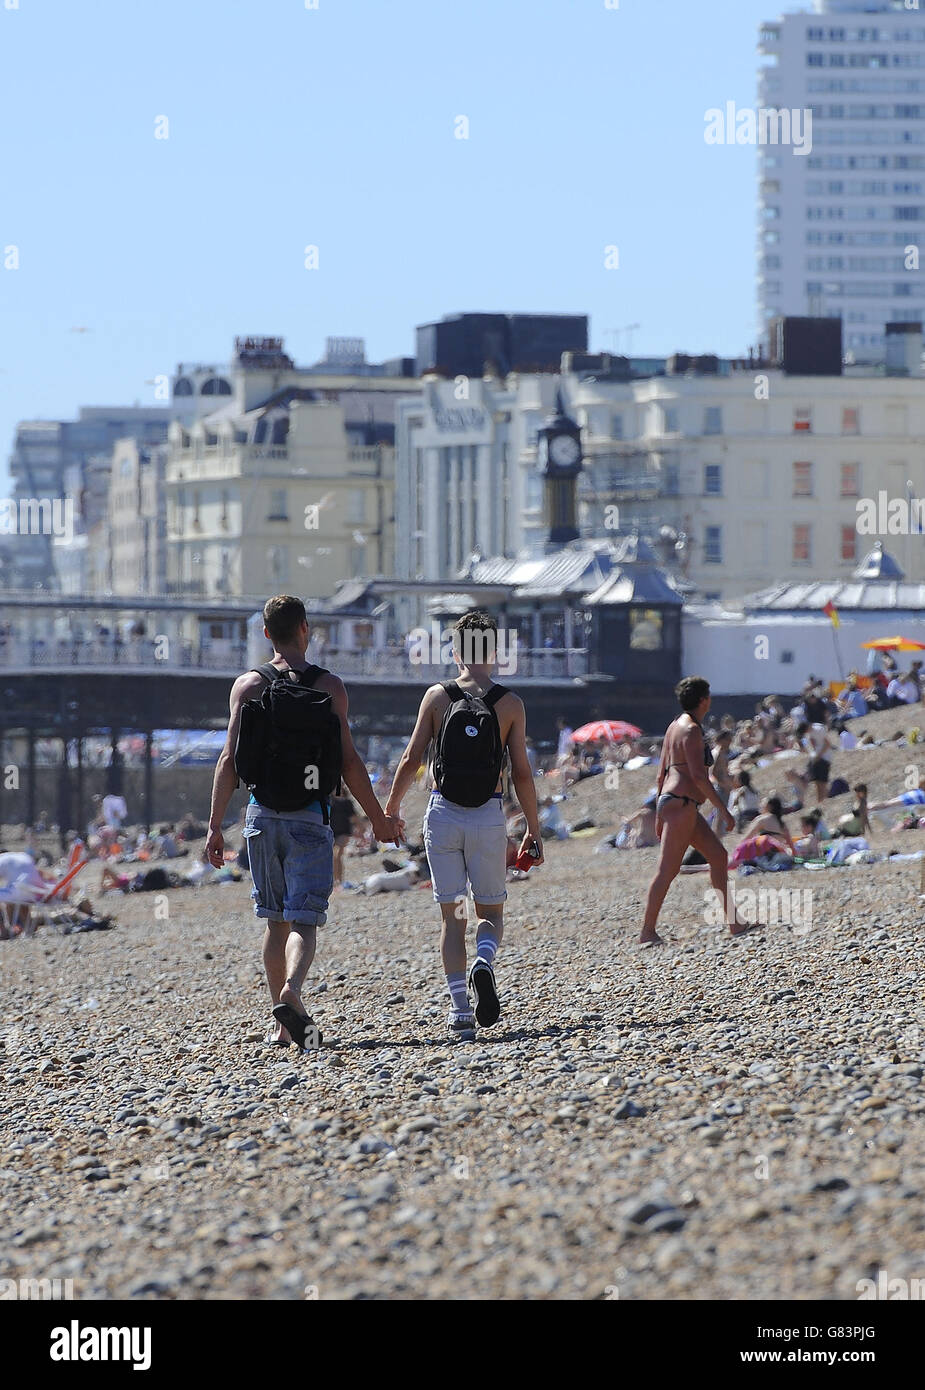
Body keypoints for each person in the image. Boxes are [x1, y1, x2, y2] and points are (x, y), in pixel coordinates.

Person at [206, 595, 400, 1050]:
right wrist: (379, 819)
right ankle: (292, 991)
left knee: (274, 923)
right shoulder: (329, 687)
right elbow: (350, 761)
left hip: (260, 816)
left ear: (267, 633)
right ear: (306, 630)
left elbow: (229, 760)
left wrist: (214, 827)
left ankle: (282, 1026)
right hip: (310, 817)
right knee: (303, 922)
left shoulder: (247, 686)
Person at [385, 609, 543, 1041]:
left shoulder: (437, 697)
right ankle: (484, 962)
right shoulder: (510, 704)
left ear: (455, 651)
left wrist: (392, 809)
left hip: (443, 814)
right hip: (489, 815)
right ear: (494, 652)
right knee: (489, 913)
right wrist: (532, 826)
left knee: (452, 917)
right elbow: (522, 773)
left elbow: (411, 759)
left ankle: (459, 1012)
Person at [640, 676, 748, 946]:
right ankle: (647, 932)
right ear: (704, 700)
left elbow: (660, 774)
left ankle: (735, 922)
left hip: (676, 802)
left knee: (718, 855)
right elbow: (700, 778)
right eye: (708, 696)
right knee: (668, 869)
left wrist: (658, 815)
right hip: (682, 803)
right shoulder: (691, 731)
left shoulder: (674, 727)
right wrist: (724, 810)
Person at [797, 721, 832, 803]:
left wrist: (818, 756)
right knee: (817, 783)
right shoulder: (809, 734)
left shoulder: (818, 729)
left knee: (822, 783)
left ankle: (824, 801)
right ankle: (820, 801)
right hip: (816, 759)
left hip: (823, 758)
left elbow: (827, 743)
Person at [329, 791, 357, 890]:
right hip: (331, 832)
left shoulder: (346, 803)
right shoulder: (329, 801)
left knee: (337, 855)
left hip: (343, 832)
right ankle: (335, 881)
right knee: (333, 857)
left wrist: (358, 830)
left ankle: (339, 880)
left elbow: (353, 818)